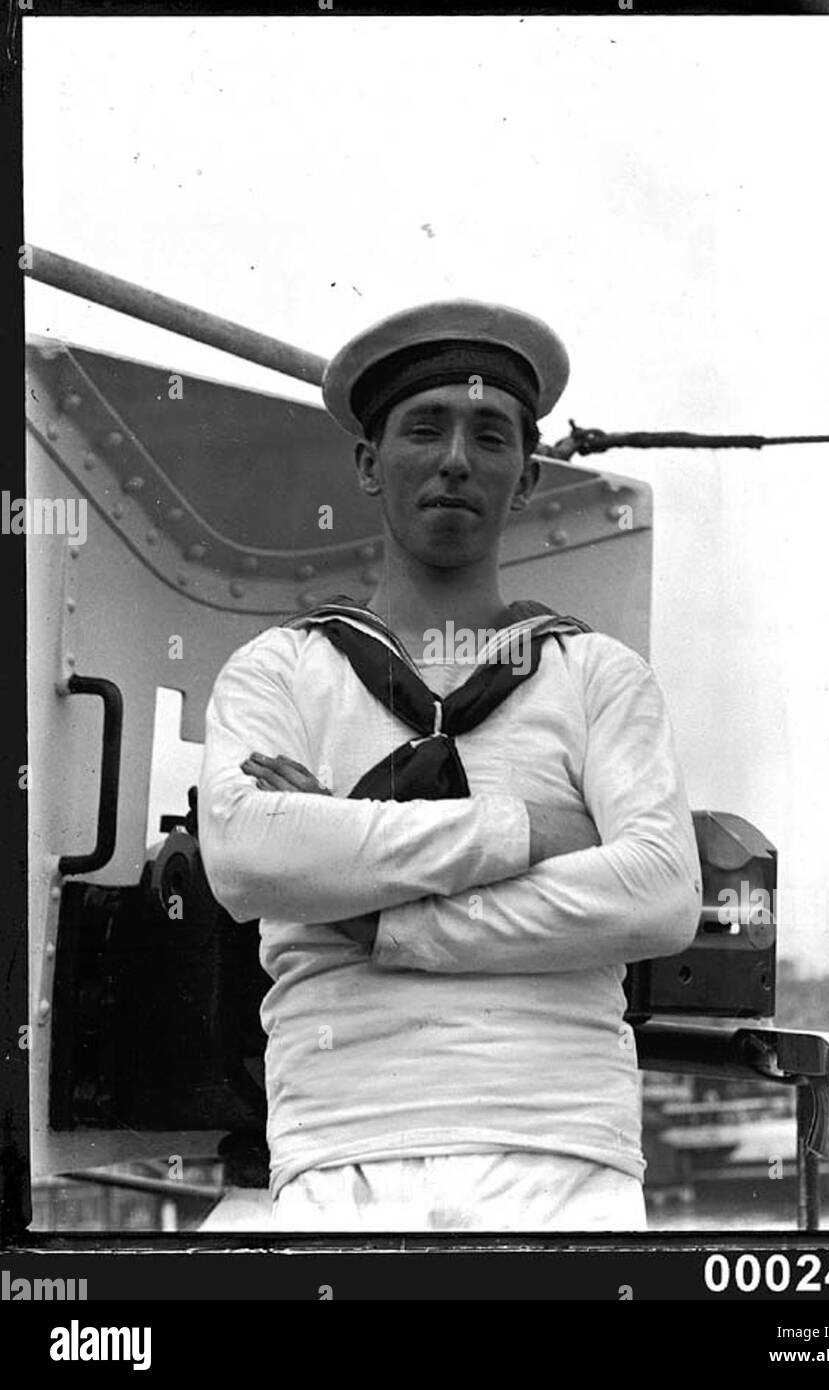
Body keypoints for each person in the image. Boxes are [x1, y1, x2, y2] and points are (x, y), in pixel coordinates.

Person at [198, 300, 702, 1231]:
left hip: (563, 1158)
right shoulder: (279, 670)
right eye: (424, 427)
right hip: (338, 1151)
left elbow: (661, 894)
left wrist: (374, 913)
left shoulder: (597, 676)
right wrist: (523, 832)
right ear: (365, 464)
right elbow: (245, 858)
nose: (457, 459)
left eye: (490, 435)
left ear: (527, 476)